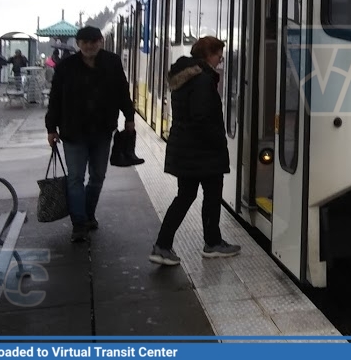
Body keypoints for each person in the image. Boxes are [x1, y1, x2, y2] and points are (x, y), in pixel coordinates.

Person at [149, 36, 240, 266]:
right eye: (218, 54)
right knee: (211, 196)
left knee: (185, 196)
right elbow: (202, 117)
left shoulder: (188, 76)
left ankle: (163, 245)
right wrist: (218, 142)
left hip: (188, 149)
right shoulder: (201, 80)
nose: (221, 59)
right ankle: (212, 243)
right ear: (208, 54)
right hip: (202, 151)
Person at [45, 26, 135, 243]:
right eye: (84, 42)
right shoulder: (66, 66)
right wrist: (51, 128)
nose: (89, 46)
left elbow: (123, 91)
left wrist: (129, 117)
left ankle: (87, 214)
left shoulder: (112, 62)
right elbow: (55, 98)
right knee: (75, 178)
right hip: (73, 132)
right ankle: (79, 223)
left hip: (102, 130)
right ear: (78, 44)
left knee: (97, 177)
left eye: (93, 41)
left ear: (100, 42)